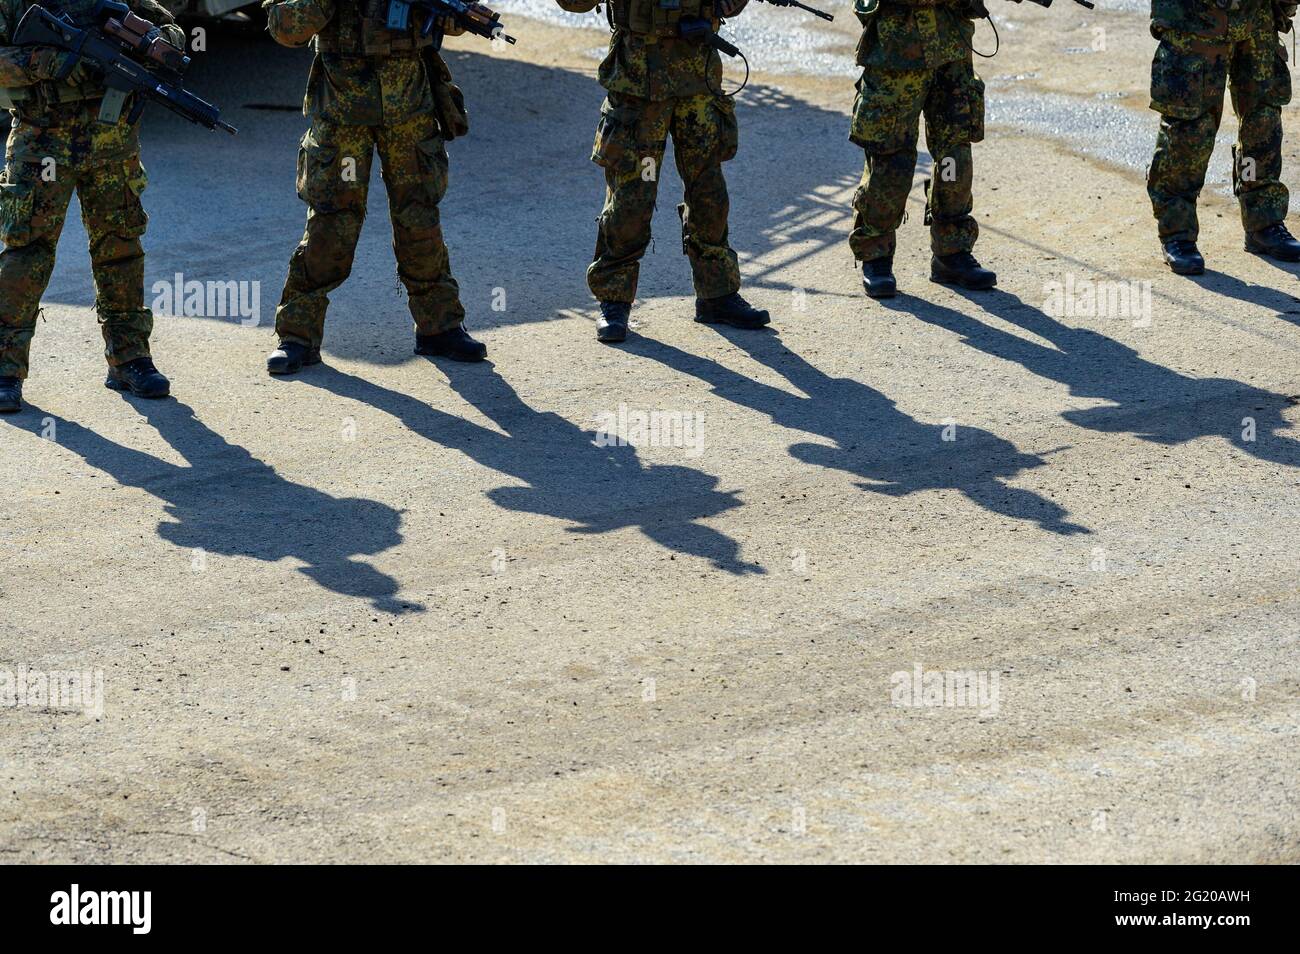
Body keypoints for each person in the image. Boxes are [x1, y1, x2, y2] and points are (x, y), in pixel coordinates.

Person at [263, 0, 487, 374]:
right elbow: (285, 28)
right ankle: (297, 334)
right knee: (334, 219)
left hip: (409, 104)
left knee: (419, 215)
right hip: (342, 108)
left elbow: (456, 22)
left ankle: (440, 325)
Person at [0, 0, 182, 413]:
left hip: (111, 138)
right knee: (27, 252)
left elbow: (171, 33)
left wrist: (148, 44)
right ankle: (5, 370)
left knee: (120, 246)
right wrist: (51, 63)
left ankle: (129, 358)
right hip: (41, 141)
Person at [556, 0, 770, 343]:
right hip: (639, 84)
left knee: (708, 192)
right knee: (633, 196)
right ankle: (614, 299)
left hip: (698, 81)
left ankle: (717, 294)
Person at [848, 0, 996, 299]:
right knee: (892, 159)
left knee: (954, 157)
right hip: (895, 57)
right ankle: (876, 254)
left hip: (950, 50)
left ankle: (951, 251)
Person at [1147, 0, 1300, 275]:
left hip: (1257, 15)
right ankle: (1177, 232)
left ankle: (1262, 219)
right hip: (1196, 18)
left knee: (1262, 120)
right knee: (1191, 126)